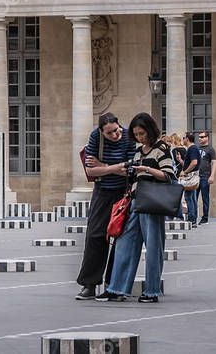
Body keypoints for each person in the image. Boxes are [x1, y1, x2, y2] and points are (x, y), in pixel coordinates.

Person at [97, 112, 176, 304]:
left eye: (142, 133)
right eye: (136, 134)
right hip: (134, 201)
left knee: (154, 248)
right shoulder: (139, 151)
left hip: (152, 203)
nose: (140, 137)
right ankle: (116, 289)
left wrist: (146, 169)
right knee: (124, 245)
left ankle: (151, 291)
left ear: (150, 130)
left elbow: (168, 176)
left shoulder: (162, 148)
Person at [75, 112, 135, 301]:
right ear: (101, 131)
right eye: (109, 133)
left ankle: (114, 285)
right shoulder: (95, 137)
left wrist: (105, 166)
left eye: (116, 130)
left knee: (120, 238)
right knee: (95, 236)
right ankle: (90, 284)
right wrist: (114, 168)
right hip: (102, 192)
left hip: (122, 194)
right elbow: (90, 169)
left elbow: (131, 169)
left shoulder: (128, 136)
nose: (115, 135)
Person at [195, 131, 216, 225]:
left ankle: (205, 218)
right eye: (199, 137)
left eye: (202, 137)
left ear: (207, 137)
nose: (200, 138)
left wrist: (212, 176)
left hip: (205, 176)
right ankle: (192, 217)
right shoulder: (196, 148)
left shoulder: (210, 149)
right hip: (195, 176)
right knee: (193, 198)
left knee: (205, 198)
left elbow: (214, 163)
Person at [181, 132, 200, 227]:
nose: (182, 139)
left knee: (189, 197)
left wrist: (185, 172)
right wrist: (181, 161)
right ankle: (193, 219)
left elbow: (194, 162)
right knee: (192, 197)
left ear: (187, 139)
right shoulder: (193, 148)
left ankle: (192, 219)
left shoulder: (192, 148)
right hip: (193, 176)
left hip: (190, 177)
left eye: (183, 138)